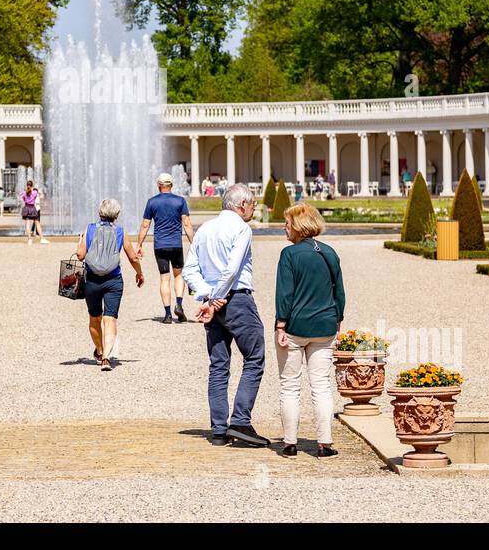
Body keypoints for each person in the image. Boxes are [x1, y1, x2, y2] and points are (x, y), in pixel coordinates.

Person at [182, 183, 267, 448]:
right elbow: (232, 270)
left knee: (218, 366)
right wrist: (217, 299)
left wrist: (208, 296)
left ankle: (219, 429)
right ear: (242, 205)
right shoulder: (241, 228)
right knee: (255, 357)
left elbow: (189, 271)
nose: (253, 209)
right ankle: (240, 422)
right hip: (236, 300)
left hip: (212, 303)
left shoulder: (205, 228)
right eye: (252, 204)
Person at [273, 202, 346, 458]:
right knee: (322, 386)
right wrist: (338, 319)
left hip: (293, 327)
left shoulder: (289, 254)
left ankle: (290, 443)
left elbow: (285, 293)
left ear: (297, 225)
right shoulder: (329, 252)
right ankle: (325, 443)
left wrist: (280, 325)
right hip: (324, 327)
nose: (285, 228)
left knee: (290, 386)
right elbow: (339, 291)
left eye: (287, 223)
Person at [75, 198, 144, 371]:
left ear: (100, 213)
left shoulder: (89, 229)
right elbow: (133, 257)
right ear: (117, 215)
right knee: (110, 318)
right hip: (113, 280)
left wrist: (80, 242)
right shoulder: (120, 232)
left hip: (91, 280)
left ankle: (99, 350)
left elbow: (80, 255)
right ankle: (106, 357)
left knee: (94, 317)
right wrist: (139, 273)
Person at [136, 173, 195, 323]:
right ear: (172, 185)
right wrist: (193, 243)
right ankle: (179, 305)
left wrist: (139, 244)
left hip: (160, 246)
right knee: (179, 275)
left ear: (158, 185)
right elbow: (187, 224)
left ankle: (168, 314)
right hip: (176, 245)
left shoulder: (152, 202)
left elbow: (145, 225)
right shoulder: (180, 201)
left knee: (164, 279)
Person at [21, 180, 48, 244]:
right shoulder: (34, 192)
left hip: (26, 208)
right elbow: (36, 196)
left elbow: (24, 199)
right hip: (32, 208)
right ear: (32, 185)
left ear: (26, 185)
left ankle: (29, 239)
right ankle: (42, 238)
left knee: (27, 224)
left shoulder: (24, 192)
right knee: (37, 223)